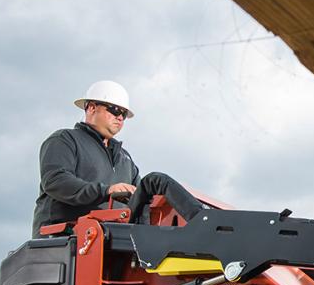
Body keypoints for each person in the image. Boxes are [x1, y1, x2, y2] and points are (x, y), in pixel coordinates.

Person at [32, 80, 204, 235]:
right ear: (91, 107)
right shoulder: (64, 140)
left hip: (112, 242)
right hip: (63, 240)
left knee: (154, 184)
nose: (120, 117)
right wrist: (106, 190)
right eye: (114, 110)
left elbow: (141, 198)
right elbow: (55, 182)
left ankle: (204, 223)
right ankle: (205, 223)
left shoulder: (124, 159)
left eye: (123, 114)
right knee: (155, 180)